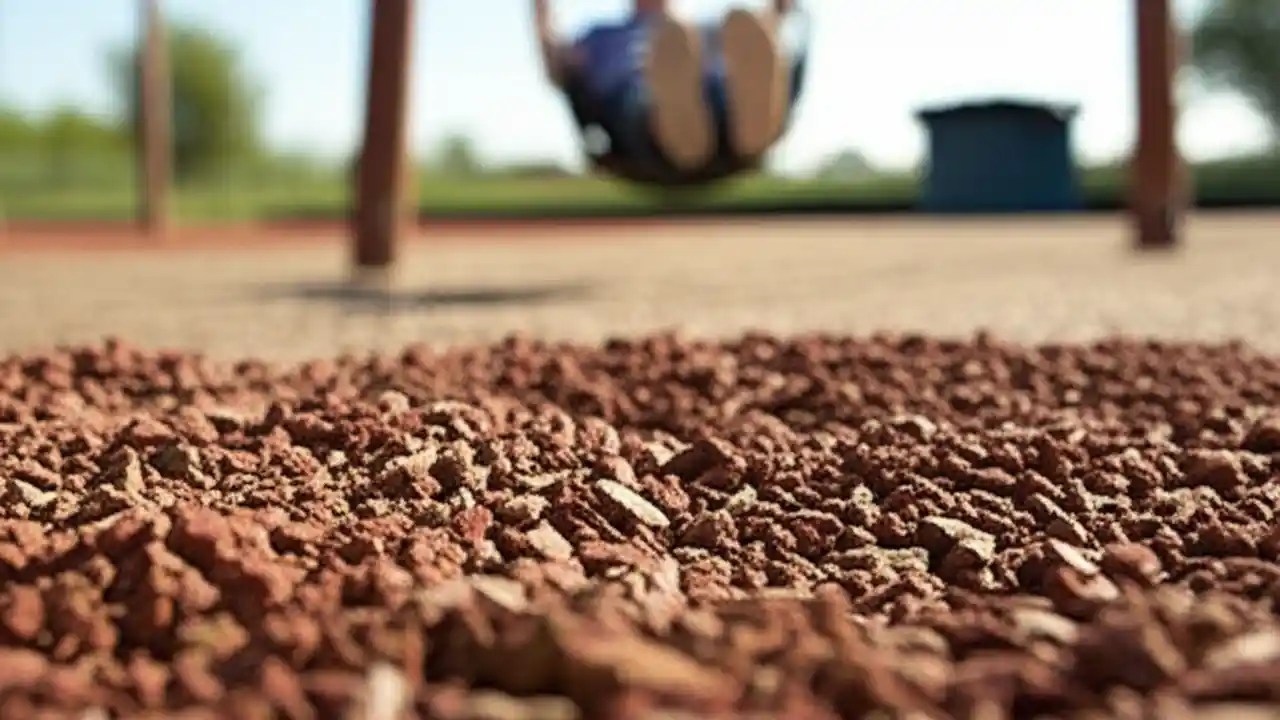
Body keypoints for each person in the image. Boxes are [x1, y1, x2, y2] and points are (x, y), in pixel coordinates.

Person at [534, 0, 807, 184]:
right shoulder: (600, 35)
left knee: (724, 83)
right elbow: (559, 69)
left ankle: (749, 128)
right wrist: (541, 11)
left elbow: (770, 27)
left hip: (713, 96)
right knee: (647, 97)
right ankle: (690, 131)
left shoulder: (711, 30)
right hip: (636, 114)